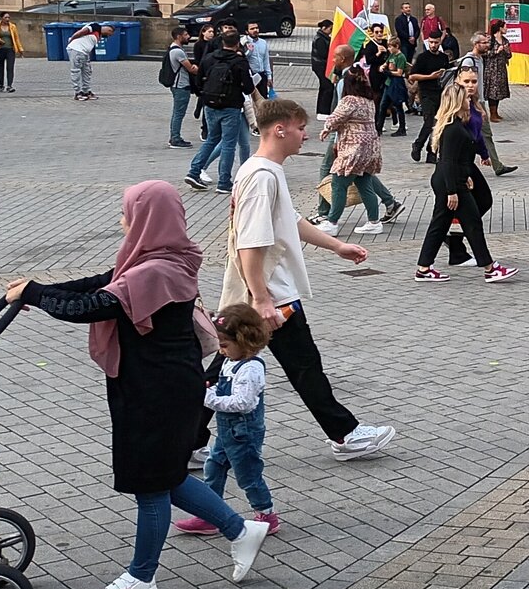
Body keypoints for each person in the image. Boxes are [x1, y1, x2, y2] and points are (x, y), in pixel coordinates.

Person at [5, 182, 273, 589]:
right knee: (166, 476)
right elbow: (99, 284)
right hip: (156, 387)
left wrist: (37, 294)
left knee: (151, 485)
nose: (122, 221)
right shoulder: (165, 257)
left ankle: (141, 578)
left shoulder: (154, 271)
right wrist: (36, 290)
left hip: (158, 394)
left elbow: (91, 307)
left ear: (148, 219)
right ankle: (241, 530)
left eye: (127, 213)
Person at [220, 98, 396, 460]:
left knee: (229, 364)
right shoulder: (261, 177)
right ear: (279, 129)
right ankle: (345, 435)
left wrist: (337, 246)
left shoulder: (265, 171)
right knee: (304, 368)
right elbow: (250, 241)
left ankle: (185, 440)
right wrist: (261, 297)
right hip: (270, 294)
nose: (306, 135)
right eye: (300, 128)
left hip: (264, 292)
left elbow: (291, 220)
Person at [175, 305, 279, 536]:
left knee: (248, 475)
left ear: (244, 341)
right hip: (227, 432)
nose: (221, 351)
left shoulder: (251, 369)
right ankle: (210, 513)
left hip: (243, 432)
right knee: (213, 467)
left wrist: (208, 397)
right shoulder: (232, 361)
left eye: (224, 345)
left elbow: (243, 403)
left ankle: (266, 513)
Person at [415, 83, 517, 284]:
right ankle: (490, 268)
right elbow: (447, 161)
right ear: (456, 102)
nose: (468, 101)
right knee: (472, 224)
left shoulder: (455, 125)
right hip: (450, 183)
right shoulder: (453, 129)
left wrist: (465, 175)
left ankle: (424, 268)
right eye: (465, 98)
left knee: (440, 224)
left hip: (452, 179)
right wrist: (453, 190)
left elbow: (457, 159)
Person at [320, 68, 389, 235]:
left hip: (353, 148)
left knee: (338, 183)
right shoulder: (369, 100)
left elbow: (334, 118)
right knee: (364, 183)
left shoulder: (349, 100)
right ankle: (374, 221)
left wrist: (326, 128)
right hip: (370, 148)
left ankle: (332, 222)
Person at [186, 31, 255, 194]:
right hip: (231, 107)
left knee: (211, 139)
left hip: (210, 104)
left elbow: (198, 80)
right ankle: (224, 182)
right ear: (237, 44)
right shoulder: (239, 62)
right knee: (229, 144)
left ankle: (194, 171)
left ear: (222, 42)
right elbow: (248, 87)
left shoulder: (209, 58)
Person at [163, 25, 195, 147]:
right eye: (186, 35)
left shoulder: (173, 49)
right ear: (178, 36)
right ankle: (175, 138)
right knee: (178, 113)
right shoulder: (177, 51)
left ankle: (174, 136)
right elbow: (190, 68)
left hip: (178, 85)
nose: (188, 37)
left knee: (177, 112)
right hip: (181, 85)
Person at [67, 22, 112, 103]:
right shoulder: (95, 26)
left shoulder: (98, 34)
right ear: (109, 29)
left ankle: (86, 91)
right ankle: (77, 93)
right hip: (77, 50)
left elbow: (89, 44)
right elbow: (81, 32)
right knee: (76, 71)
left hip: (84, 52)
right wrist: (72, 39)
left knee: (87, 71)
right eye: (110, 33)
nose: (108, 36)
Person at [481, 20, 513, 122]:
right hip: (492, 69)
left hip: (501, 68)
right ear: (500, 28)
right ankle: (492, 114)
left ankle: (496, 112)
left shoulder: (505, 40)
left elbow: (509, 56)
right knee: (492, 91)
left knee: (499, 91)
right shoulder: (490, 39)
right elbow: (484, 53)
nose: (506, 29)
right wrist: (496, 51)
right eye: (505, 27)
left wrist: (507, 51)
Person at [310, 19, 336, 118]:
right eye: (330, 29)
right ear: (324, 28)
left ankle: (322, 110)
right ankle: (324, 111)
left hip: (321, 65)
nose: (331, 31)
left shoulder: (323, 37)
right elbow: (323, 54)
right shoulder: (320, 39)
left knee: (324, 87)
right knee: (327, 87)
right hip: (321, 66)